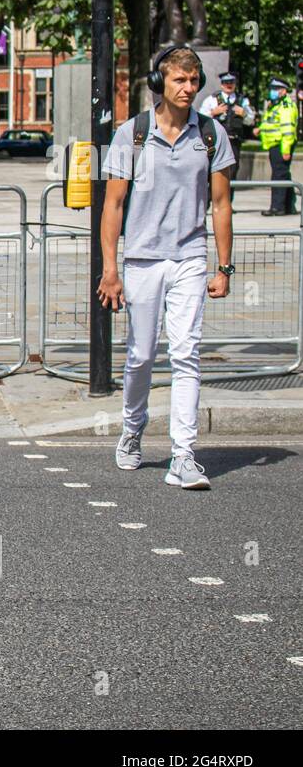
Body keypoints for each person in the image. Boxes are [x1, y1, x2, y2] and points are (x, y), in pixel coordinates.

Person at [99, 46, 234, 490]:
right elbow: (113, 205)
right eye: (179, 80)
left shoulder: (211, 134)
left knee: (185, 353)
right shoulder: (132, 134)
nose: (188, 88)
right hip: (141, 260)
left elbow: (220, 204)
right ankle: (133, 429)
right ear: (160, 83)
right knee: (140, 356)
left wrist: (224, 268)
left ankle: (183, 455)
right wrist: (110, 270)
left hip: (190, 259)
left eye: (194, 80)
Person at [198, 71, 253, 195]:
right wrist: (213, 112)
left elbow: (251, 120)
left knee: (231, 172)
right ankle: (208, 200)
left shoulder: (242, 100)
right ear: (222, 85)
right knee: (209, 170)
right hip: (214, 141)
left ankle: (228, 200)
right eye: (226, 83)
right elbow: (200, 116)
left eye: (231, 83)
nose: (228, 85)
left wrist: (244, 114)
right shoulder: (212, 99)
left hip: (233, 141)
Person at [254, 76, 298, 216]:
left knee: (278, 176)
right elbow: (271, 122)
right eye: (272, 88)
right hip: (275, 144)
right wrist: (260, 129)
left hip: (281, 145)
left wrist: (285, 150)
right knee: (283, 174)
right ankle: (289, 206)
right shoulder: (275, 105)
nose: (272, 91)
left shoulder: (286, 106)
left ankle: (277, 207)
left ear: (284, 91)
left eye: (276, 89)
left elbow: (288, 130)